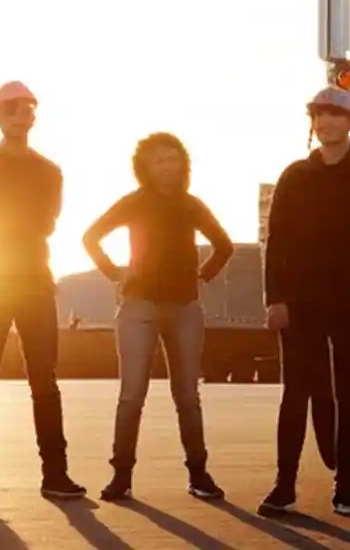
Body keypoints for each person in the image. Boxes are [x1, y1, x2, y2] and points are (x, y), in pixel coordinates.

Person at [258, 85, 350, 519]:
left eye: (335, 114)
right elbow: (275, 242)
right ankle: (284, 486)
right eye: (319, 114)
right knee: (295, 393)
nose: (326, 122)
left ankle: (345, 488)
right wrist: (274, 298)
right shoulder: (294, 176)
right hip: (299, 301)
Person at [83, 132, 234, 502]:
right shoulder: (134, 203)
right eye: (159, 160)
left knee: (187, 394)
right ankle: (121, 475)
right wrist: (115, 273)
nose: (168, 166)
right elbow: (91, 237)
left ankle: (199, 473)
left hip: (184, 308)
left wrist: (203, 274)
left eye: (173, 159)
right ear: (145, 168)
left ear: (184, 165)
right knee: (132, 394)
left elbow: (224, 244)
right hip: (139, 307)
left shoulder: (191, 205)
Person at [0, 81, 85, 502]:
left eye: (26, 107)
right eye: (11, 108)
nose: (19, 114)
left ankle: (55, 474)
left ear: (34, 115)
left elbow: (46, 222)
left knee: (44, 382)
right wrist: (19, 216)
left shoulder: (50, 171)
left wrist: (10, 215)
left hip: (33, 283)